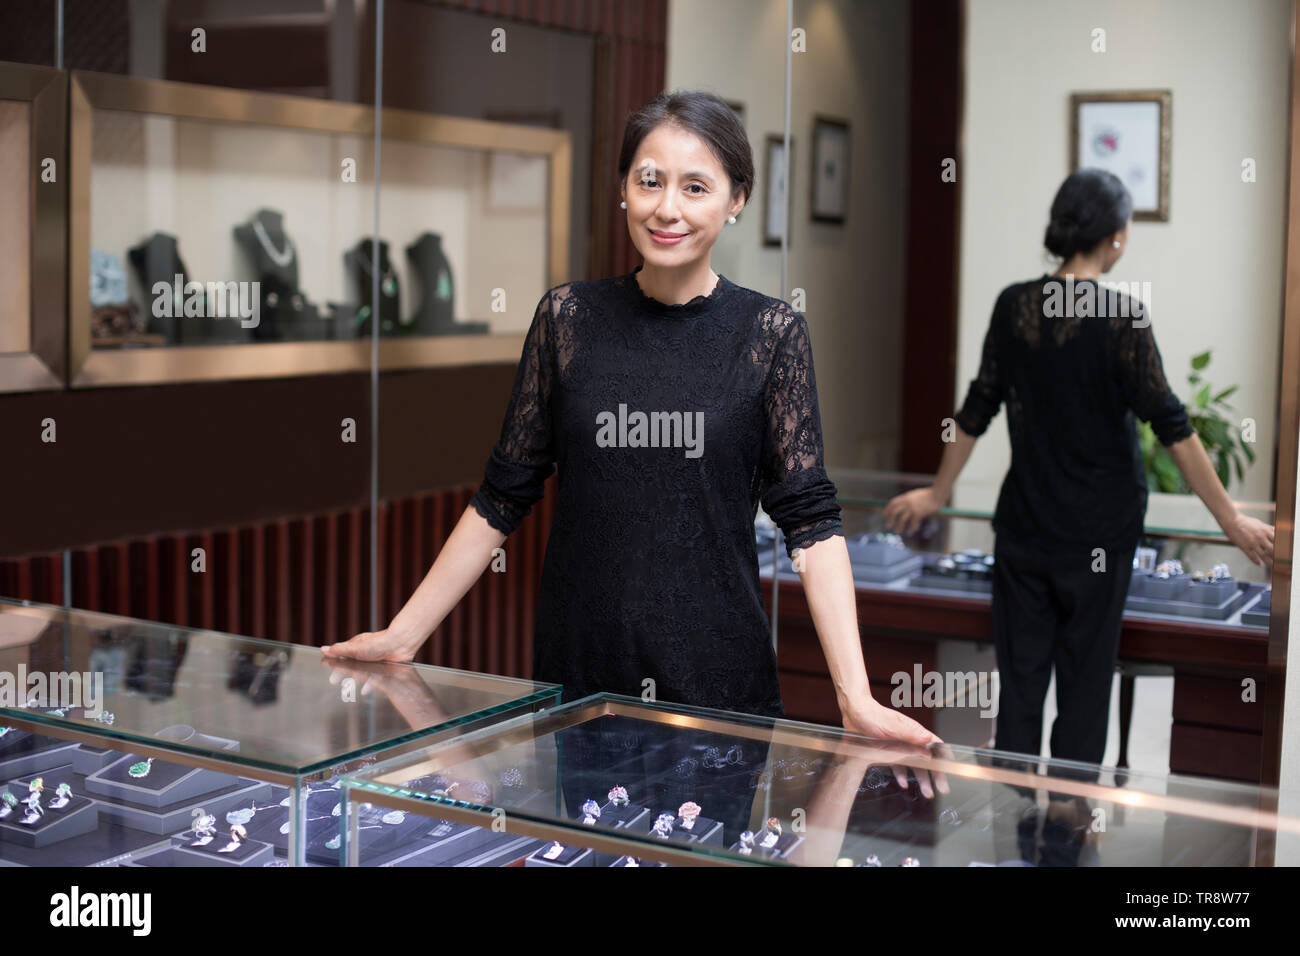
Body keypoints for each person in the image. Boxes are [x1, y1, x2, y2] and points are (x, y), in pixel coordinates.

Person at [323, 89, 938, 749]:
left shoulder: (770, 334)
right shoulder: (568, 320)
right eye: (649, 181)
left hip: (718, 681)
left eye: (695, 187)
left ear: (736, 200)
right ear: (624, 189)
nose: (666, 208)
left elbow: (812, 525)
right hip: (581, 678)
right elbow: (503, 496)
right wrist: (405, 634)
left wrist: (856, 697)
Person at [883, 168, 1274, 767]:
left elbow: (975, 411)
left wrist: (938, 492)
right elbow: (1173, 428)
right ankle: (1067, 839)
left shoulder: (1014, 308)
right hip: (1099, 536)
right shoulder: (1124, 321)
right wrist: (1232, 521)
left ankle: (1014, 836)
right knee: (1087, 689)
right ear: (1115, 237)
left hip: (1025, 532)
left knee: (1019, 689)